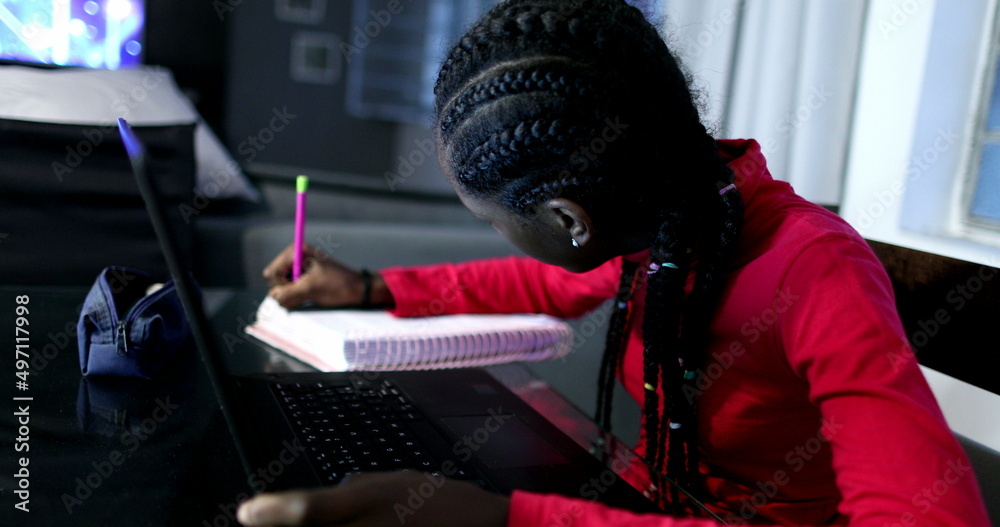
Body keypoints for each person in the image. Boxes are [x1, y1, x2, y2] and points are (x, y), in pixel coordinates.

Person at [238, 1, 992, 525]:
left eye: (493, 223)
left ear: (570, 219)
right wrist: (371, 286)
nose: (501, 239)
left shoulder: (815, 268)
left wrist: (508, 520)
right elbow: (546, 281)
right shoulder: (667, 213)